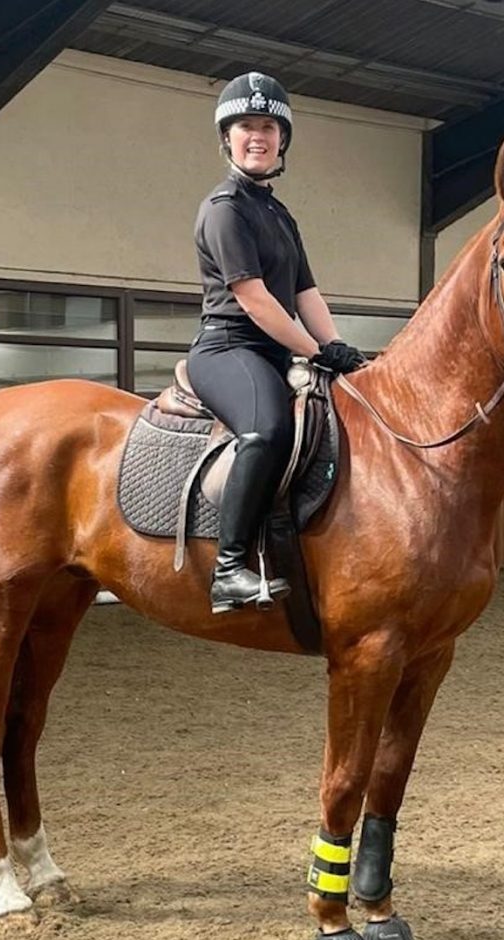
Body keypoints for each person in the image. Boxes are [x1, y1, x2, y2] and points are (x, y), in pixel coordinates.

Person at [189, 71, 367, 615]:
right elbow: (256, 300)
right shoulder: (225, 208)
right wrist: (315, 352)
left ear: (282, 138)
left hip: (272, 350)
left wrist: (340, 348)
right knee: (266, 430)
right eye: (246, 126)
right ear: (227, 137)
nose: (257, 136)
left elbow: (305, 291)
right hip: (227, 348)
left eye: (268, 126)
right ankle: (228, 569)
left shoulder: (278, 212)